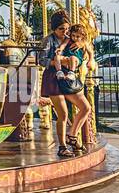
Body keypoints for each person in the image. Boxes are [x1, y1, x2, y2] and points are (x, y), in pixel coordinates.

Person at [56, 24, 95, 156]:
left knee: (86, 108)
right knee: (66, 113)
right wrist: (61, 58)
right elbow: (52, 57)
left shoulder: (82, 43)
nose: (67, 33)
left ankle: (72, 135)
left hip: (73, 75)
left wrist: (89, 57)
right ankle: (66, 141)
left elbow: (89, 50)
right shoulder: (60, 41)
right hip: (64, 76)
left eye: (77, 36)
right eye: (63, 29)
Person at [39, 10, 72, 155]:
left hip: (67, 75)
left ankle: (74, 137)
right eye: (61, 29)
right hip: (53, 77)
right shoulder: (48, 40)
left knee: (85, 107)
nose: (64, 32)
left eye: (66, 29)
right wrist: (58, 61)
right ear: (54, 29)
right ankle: (62, 146)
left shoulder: (70, 40)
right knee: (63, 114)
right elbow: (41, 60)